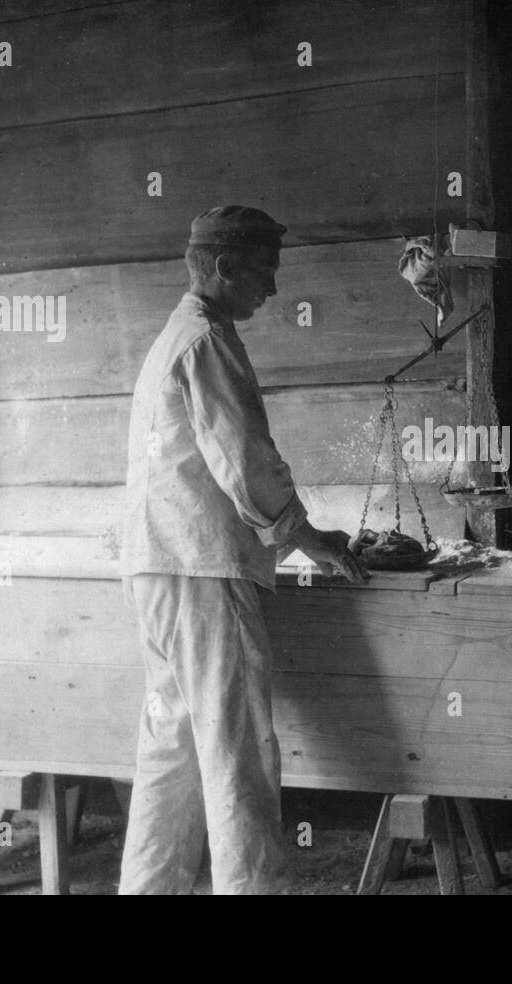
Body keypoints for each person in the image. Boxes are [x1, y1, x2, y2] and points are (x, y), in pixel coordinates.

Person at [118, 204, 368, 894]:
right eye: (264, 272)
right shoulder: (207, 342)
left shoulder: (178, 337)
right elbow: (246, 465)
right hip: (203, 570)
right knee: (238, 760)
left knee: (171, 753)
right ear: (225, 267)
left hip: (159, 566)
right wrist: (307, 537)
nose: (274, 289)